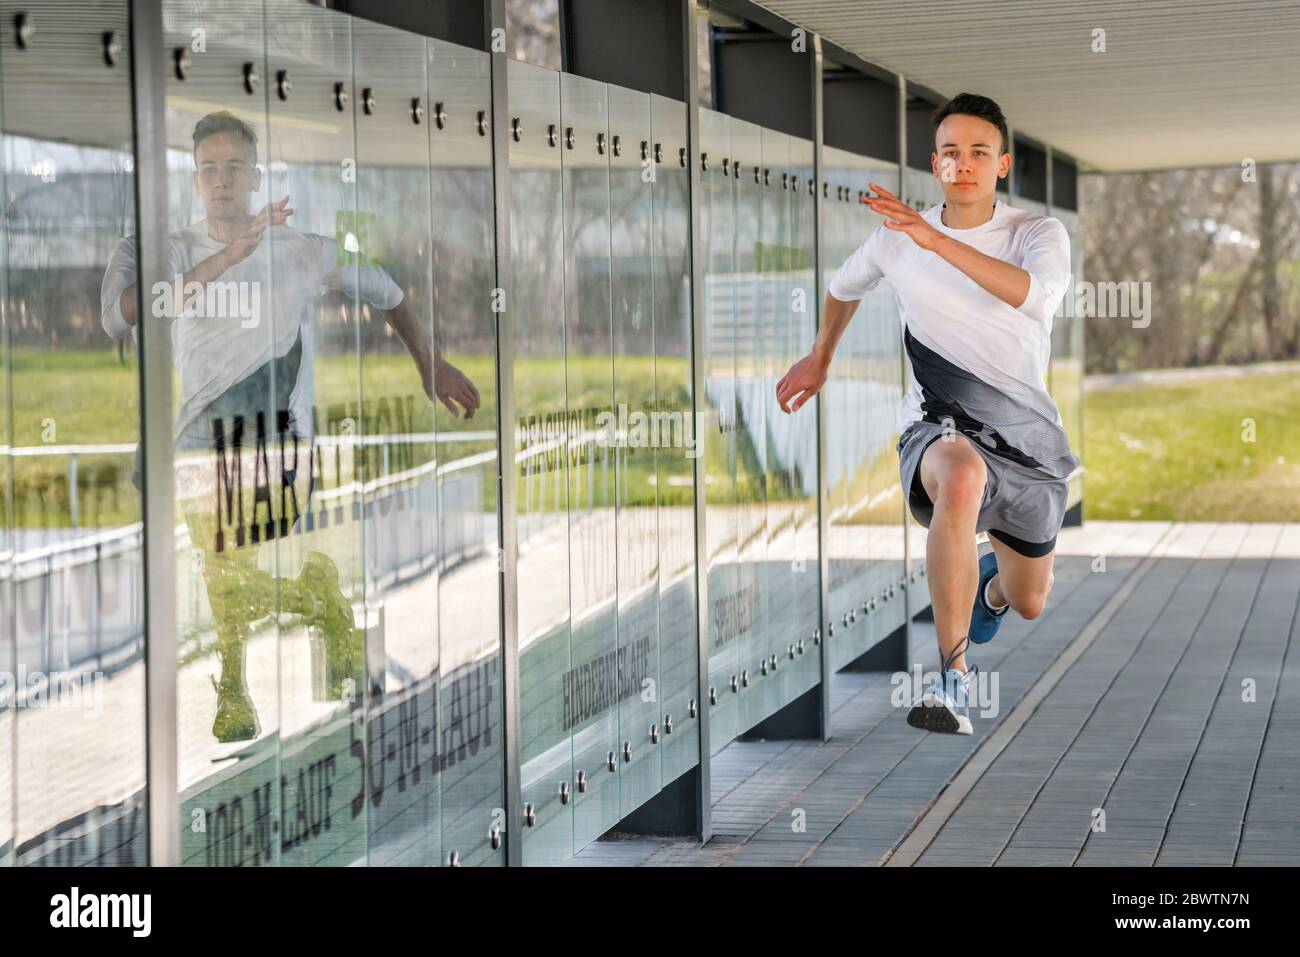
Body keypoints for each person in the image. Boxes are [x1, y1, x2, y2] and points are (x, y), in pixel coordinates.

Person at [101, 111, 480, 743]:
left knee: (222, 563)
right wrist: (226, 257)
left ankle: (240, 679)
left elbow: (386, 289)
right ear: (195, 178)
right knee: (219, 564)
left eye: (234, 168)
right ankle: (304, 613)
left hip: (276, 442)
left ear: (254, 176)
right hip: (195, 445)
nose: (222, 181)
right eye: (209, 169)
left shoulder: (297, 248)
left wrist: (429, 362)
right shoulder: (161, 250)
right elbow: (123, 316)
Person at [775, 92, 1078, 735]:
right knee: (961, 479)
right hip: (937, 423)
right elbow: (841, 287)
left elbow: (1035, 296)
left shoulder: (1036, 234)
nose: (962, 164)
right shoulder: (899, 238)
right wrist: (820, 357)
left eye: (978, 152)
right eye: (949, 152)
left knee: (1028, 603)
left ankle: (990, 587)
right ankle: (953, 680)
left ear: (1002, 164)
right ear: (935, 163)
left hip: (1025, 436)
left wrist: (936, 242)